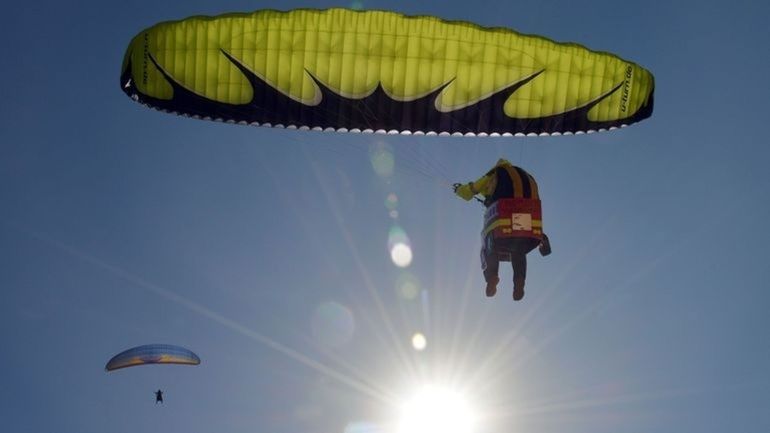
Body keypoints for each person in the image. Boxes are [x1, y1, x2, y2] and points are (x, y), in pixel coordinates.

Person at [454, 159, 551, 300]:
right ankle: (519, 281)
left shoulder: (494, 174)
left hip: (502, 222)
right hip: (529, 227)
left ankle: (491, 277)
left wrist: (458, 189)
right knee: (518, 248)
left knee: (488, 246)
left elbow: (469, 192)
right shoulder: (528, 176)